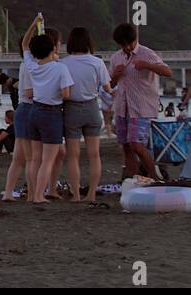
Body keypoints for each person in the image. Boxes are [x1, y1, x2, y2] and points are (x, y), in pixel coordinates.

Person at [109, 23, 172, 181]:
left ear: (134, 39)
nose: (128, 47)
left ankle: (154, 177)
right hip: (122, 107)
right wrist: (115, 76)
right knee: (126, 146)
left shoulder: (147, 53)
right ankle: (133, 179)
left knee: (136, 144)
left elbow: (167, 71)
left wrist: (147, 65)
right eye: (123, 45)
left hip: (142, 107)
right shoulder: (116, 57)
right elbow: (110, 85)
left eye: (129, 43)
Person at [60, 28, 108, 203]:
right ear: (89, 42)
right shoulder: (97, 62)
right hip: (92, 108)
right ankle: (92, 194)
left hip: (71, 109)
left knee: (73, 156)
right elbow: (107, 87)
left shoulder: (63, 63)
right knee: (94, 155)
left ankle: (76, 195)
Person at [25, 33, 73, 203]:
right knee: (48, 160)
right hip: (52, 113)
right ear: (53, 49)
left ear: (34, 52)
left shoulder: (32, 66)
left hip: (34, 111)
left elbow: (25, 44)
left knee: (36, 158)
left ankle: (32, 195)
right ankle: (39, 196)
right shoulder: (60, 68)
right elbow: (66, 94)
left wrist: (34, 23)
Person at [3, 17, 41, 202]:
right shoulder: (36, 66)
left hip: (20, 110)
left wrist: (33, 24)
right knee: (32, 158)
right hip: (31, 109)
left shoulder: (23, 63)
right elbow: (30, 92)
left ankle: (9, 193)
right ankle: (33, 195)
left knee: (18, 158)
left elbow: (25, 43)